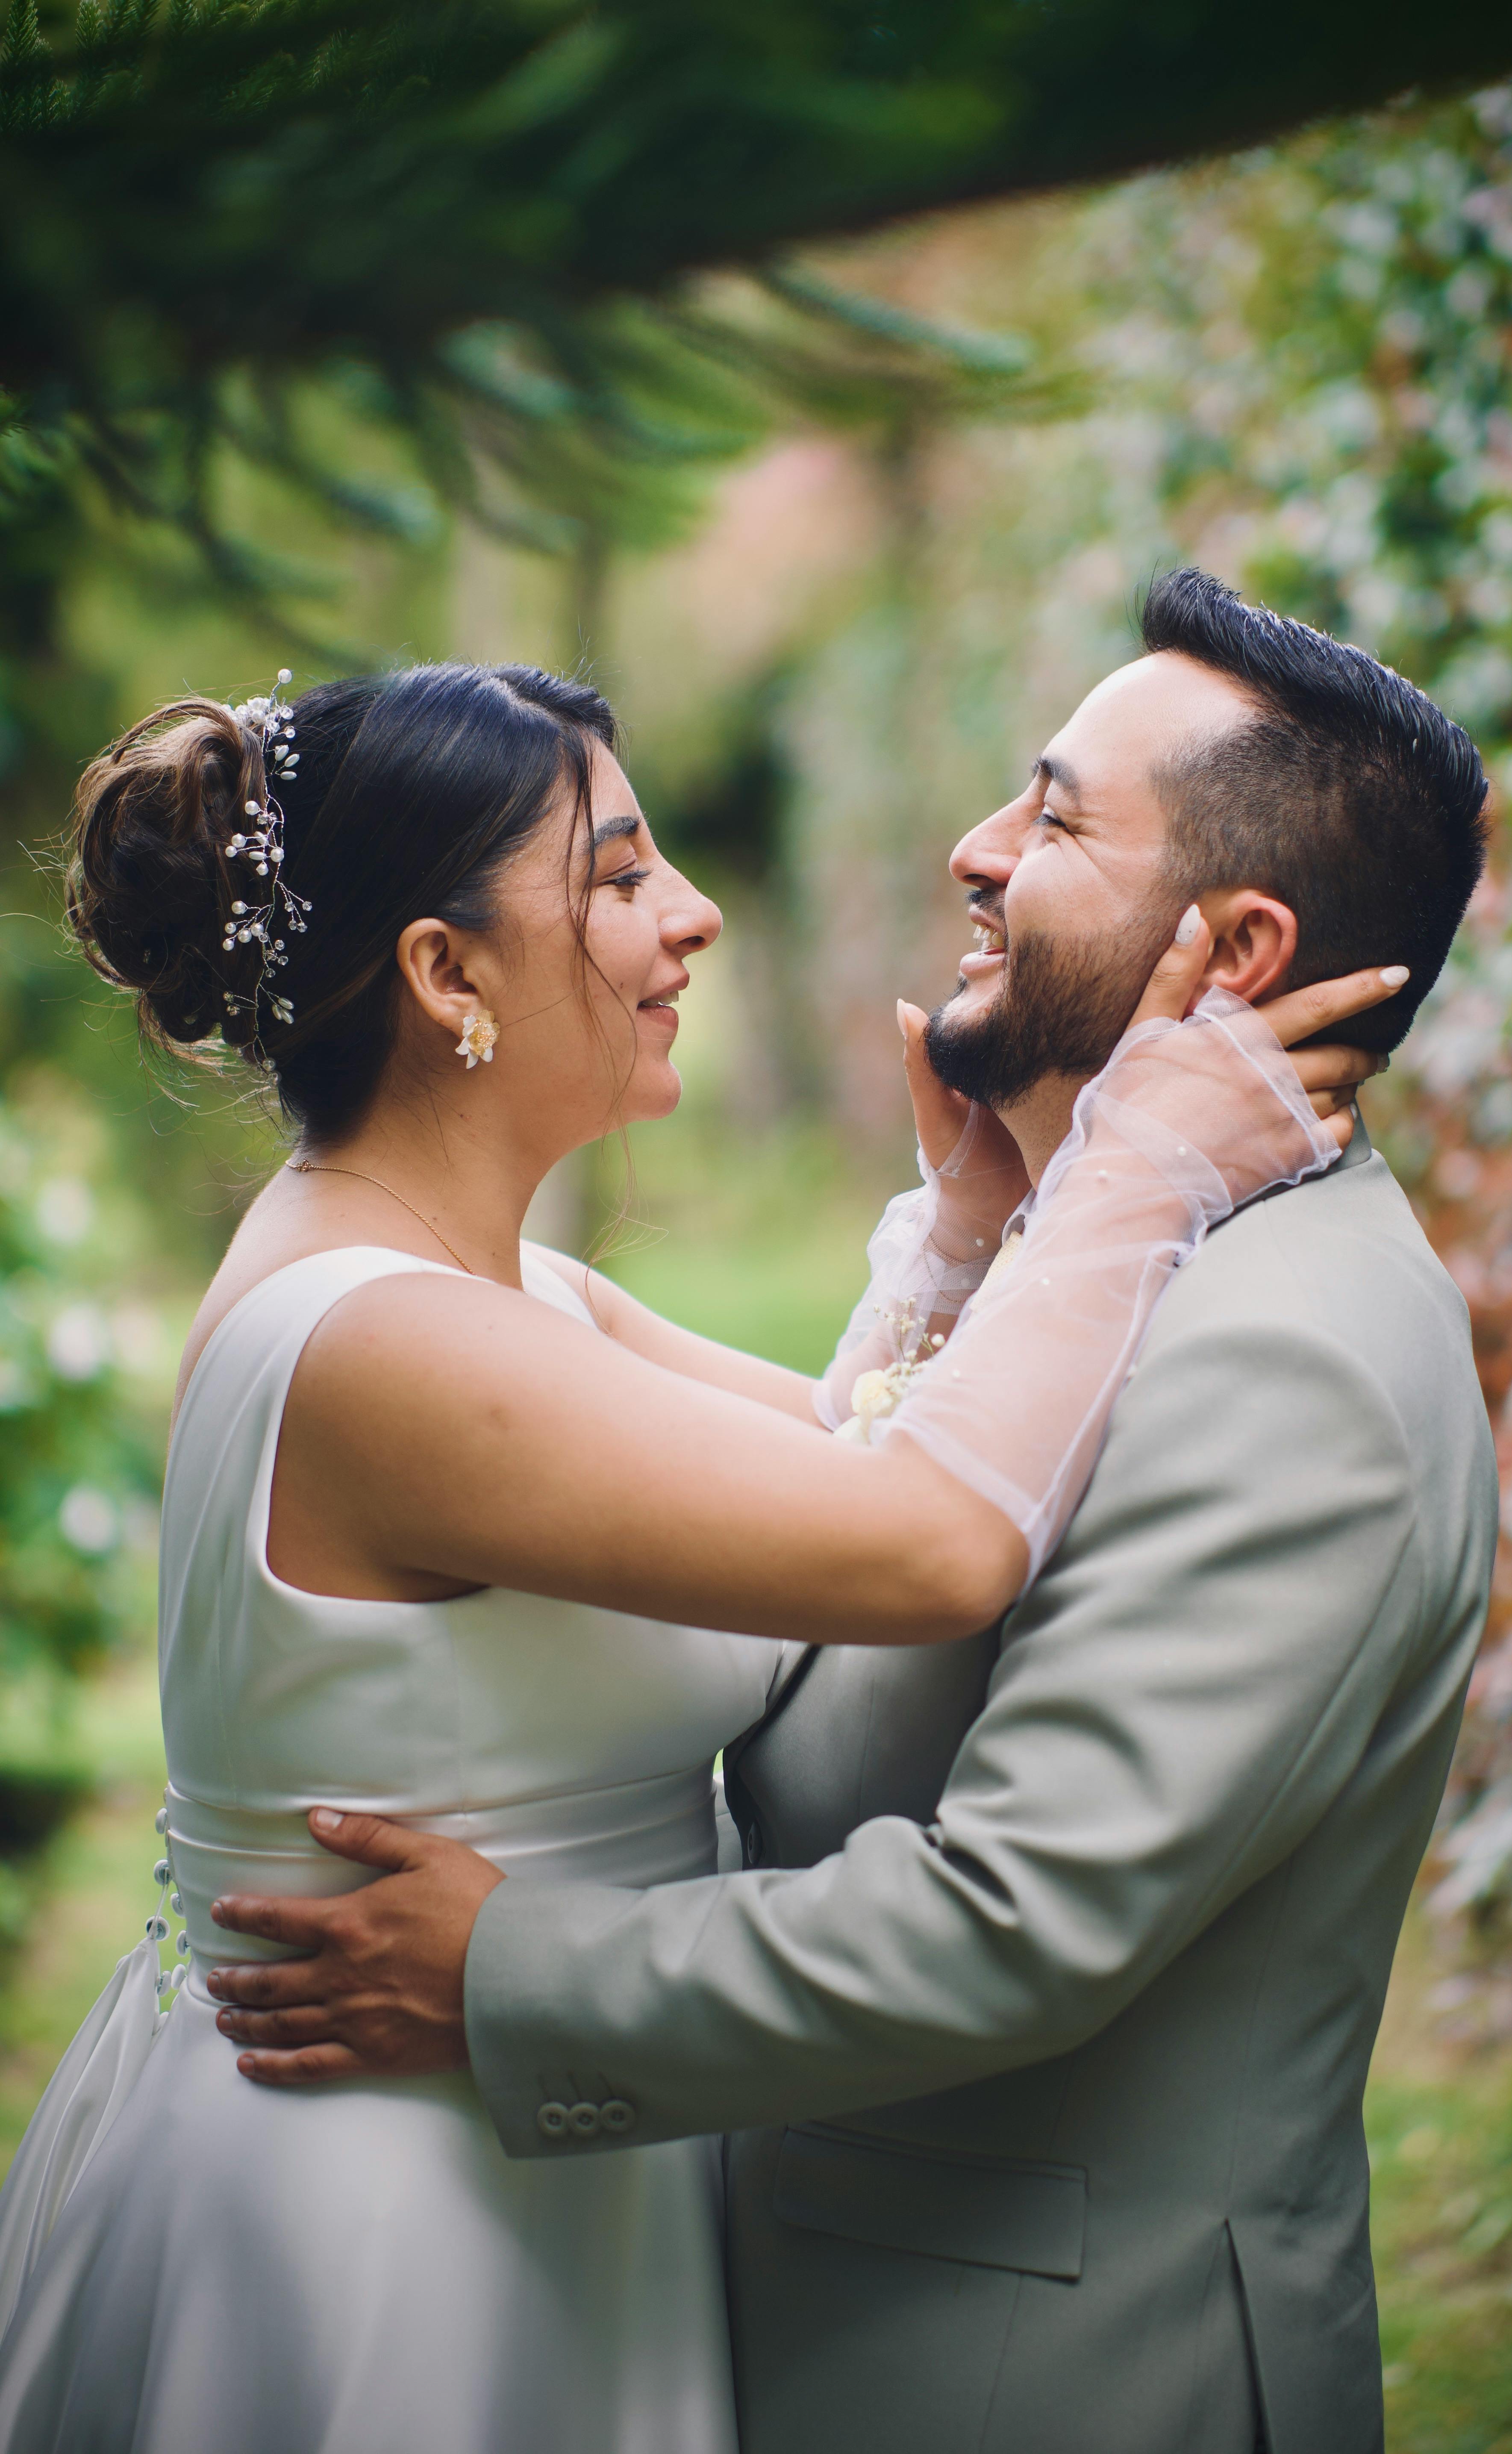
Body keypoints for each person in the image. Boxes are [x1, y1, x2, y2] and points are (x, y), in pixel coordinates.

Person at [0, 643, 1384, 2453]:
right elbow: (935, 1541)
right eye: (624, 873)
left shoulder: (493, 1287)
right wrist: (1137, 1166)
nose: (699, 915)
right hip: (393, 2209)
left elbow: (836, 1458)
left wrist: (967, 1231)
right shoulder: (384, 1344)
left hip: (536, 2144)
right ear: (446, 973)